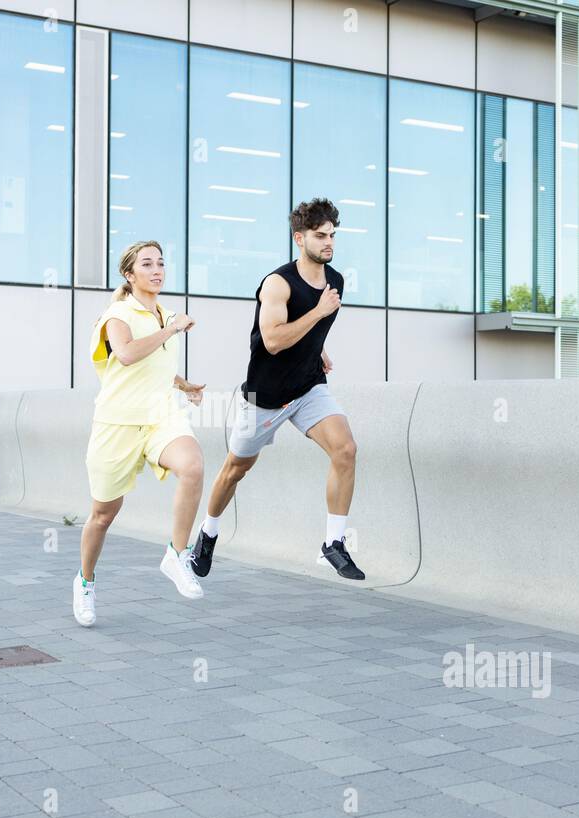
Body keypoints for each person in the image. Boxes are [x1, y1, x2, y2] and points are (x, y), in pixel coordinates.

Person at [190, 198, 365, 581]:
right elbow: (271, 340)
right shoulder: (277, 283)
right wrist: (318, 312)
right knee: (236, 469)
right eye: (320, 236)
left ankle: (333, 544)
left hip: (307, 389)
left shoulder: (334, 280)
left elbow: (307, 329)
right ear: (299, 238)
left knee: (346, 449)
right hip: (264, 397)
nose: (329, 242)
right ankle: (207, 533)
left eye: (333, 235)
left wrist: (318, 349)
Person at [74, 241, 208, 627]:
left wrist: (185, 387)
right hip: (117, 423)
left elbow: (156, 369)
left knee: (193, 466)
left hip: (160, 417)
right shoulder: (118, 314)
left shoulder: (164, 312)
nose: (157, 270)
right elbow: (128, 354)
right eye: (146, 264)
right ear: (130, 275)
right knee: (102, 515)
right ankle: (85, 581)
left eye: (161, 263)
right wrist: (171, 330)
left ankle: (176, 553)